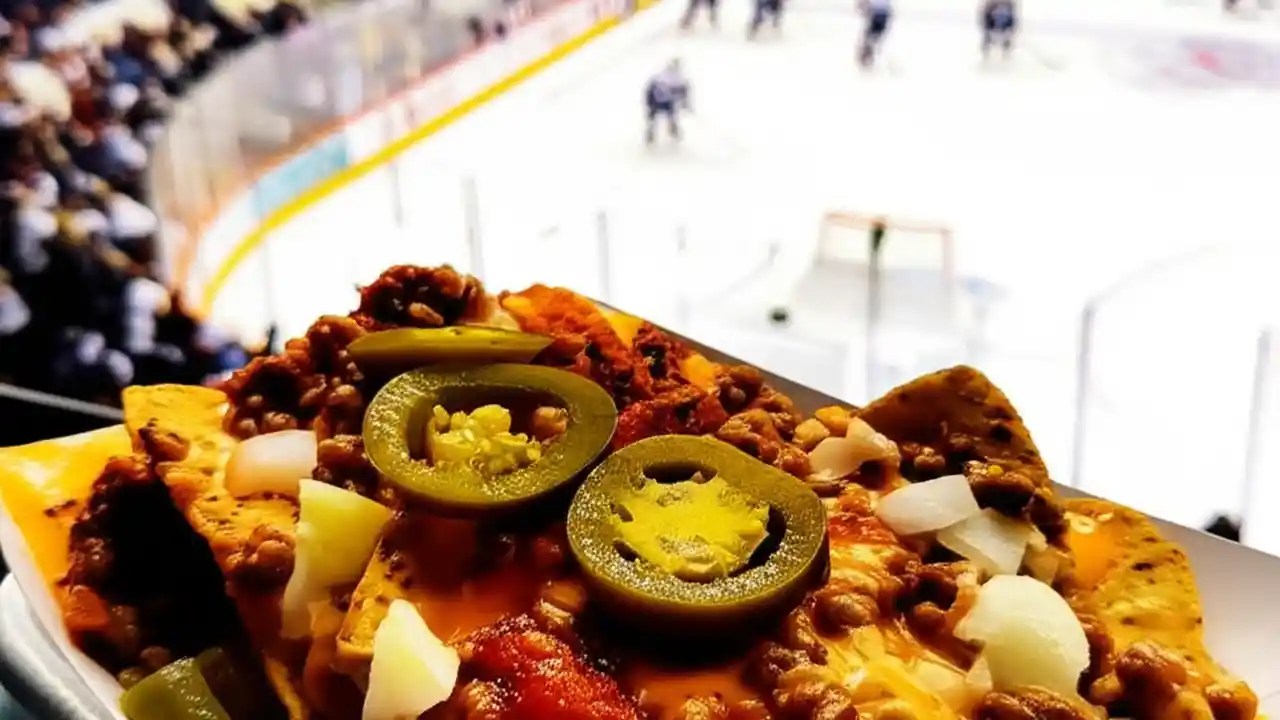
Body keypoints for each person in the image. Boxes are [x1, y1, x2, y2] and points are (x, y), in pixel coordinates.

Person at [644, 59, 690, 146]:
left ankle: (670, 127)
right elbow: (684, 90)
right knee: (657, 115)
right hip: (657, 99)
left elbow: (684, 90)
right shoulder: (665, 78)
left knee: (661, 114)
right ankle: (654, 130)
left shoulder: (678, 78)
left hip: (661, 100)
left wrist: (684, 101)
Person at [858, 0, 892, 69]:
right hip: (882, 14)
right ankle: (867, 56)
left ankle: (867, 57)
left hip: (877, 14)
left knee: (870, 38)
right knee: (872, 38)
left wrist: (863, 6)